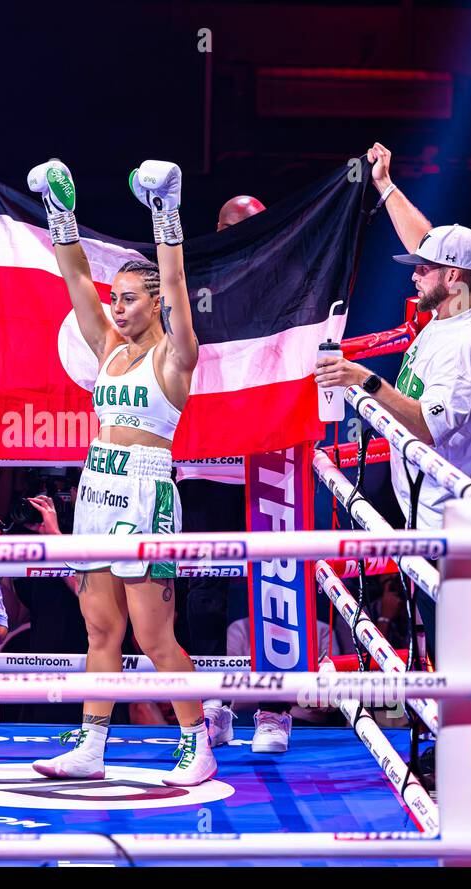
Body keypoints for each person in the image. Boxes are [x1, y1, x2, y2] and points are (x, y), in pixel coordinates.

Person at [27, 158, 215, 786]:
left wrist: (165, 213)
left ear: (157, 303)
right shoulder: (110, 349)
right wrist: (63, 215)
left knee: (154, 635)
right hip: (98, 488)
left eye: (130, 299)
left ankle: (196, 742)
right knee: (100, 626)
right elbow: (76, 278)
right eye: (118, 299)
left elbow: (178, 283)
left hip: (146, 493)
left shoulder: (175, 355)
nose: (118, 308)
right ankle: (92, 743)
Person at [314, 141, 471, 653]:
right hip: (440, 515)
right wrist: (385, 185)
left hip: (454, 526)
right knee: (445, 648)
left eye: (424, 268)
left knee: (455, 653)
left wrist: (363, 379)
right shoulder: (458, 308)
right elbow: (430, 241)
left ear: (453, 277)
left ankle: (461, 737)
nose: (413, 272)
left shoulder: (462, 345)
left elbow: (424, 426)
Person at [185, 193, 291, 754]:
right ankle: (212, 705)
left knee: (274, 586)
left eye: (252, 227)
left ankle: (274, 711)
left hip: (269, 457)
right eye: (231, 226)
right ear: (217, 229)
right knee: (203, 588)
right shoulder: (193, 278)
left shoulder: (296, 282)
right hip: (204, 456)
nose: (240, 235)